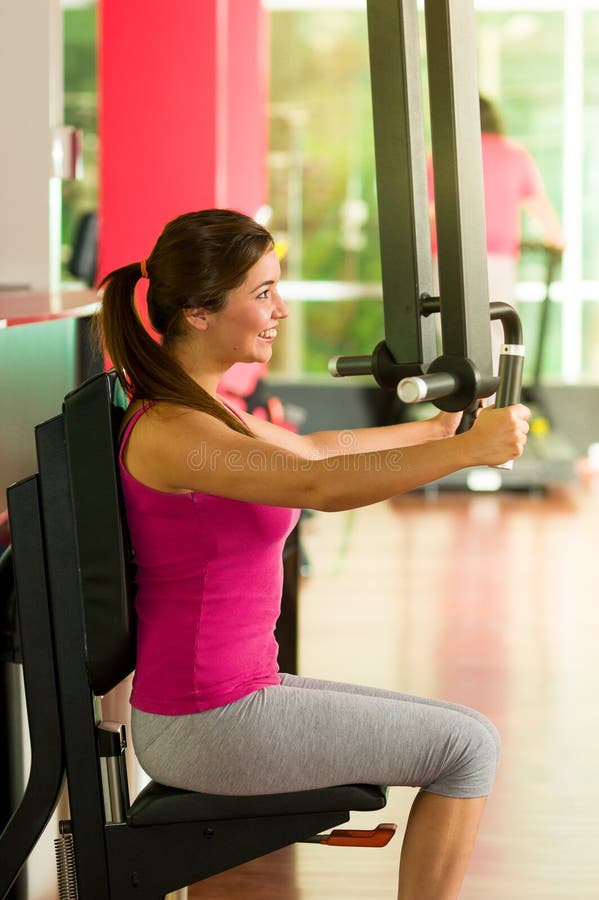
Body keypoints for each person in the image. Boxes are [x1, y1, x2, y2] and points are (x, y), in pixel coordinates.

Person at [97, 209, 530, 900]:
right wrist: (466, 454)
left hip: (228, 700)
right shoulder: (177, 431)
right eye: (262, 292)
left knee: (466, 736)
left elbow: (315, 452)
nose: (282, 310)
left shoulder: (203, 411)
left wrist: (435, 431)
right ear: (200, 313)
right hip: (208, 721)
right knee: (466, 747)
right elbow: (316, 486)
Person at [428, 94, 565, 305]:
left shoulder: (442, 157)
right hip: (499, 255)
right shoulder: (514, 156)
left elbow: (427, 209)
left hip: (450, 254)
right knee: (498, 323)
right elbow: (539, 205)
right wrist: (557, 239)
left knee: (449, 324)